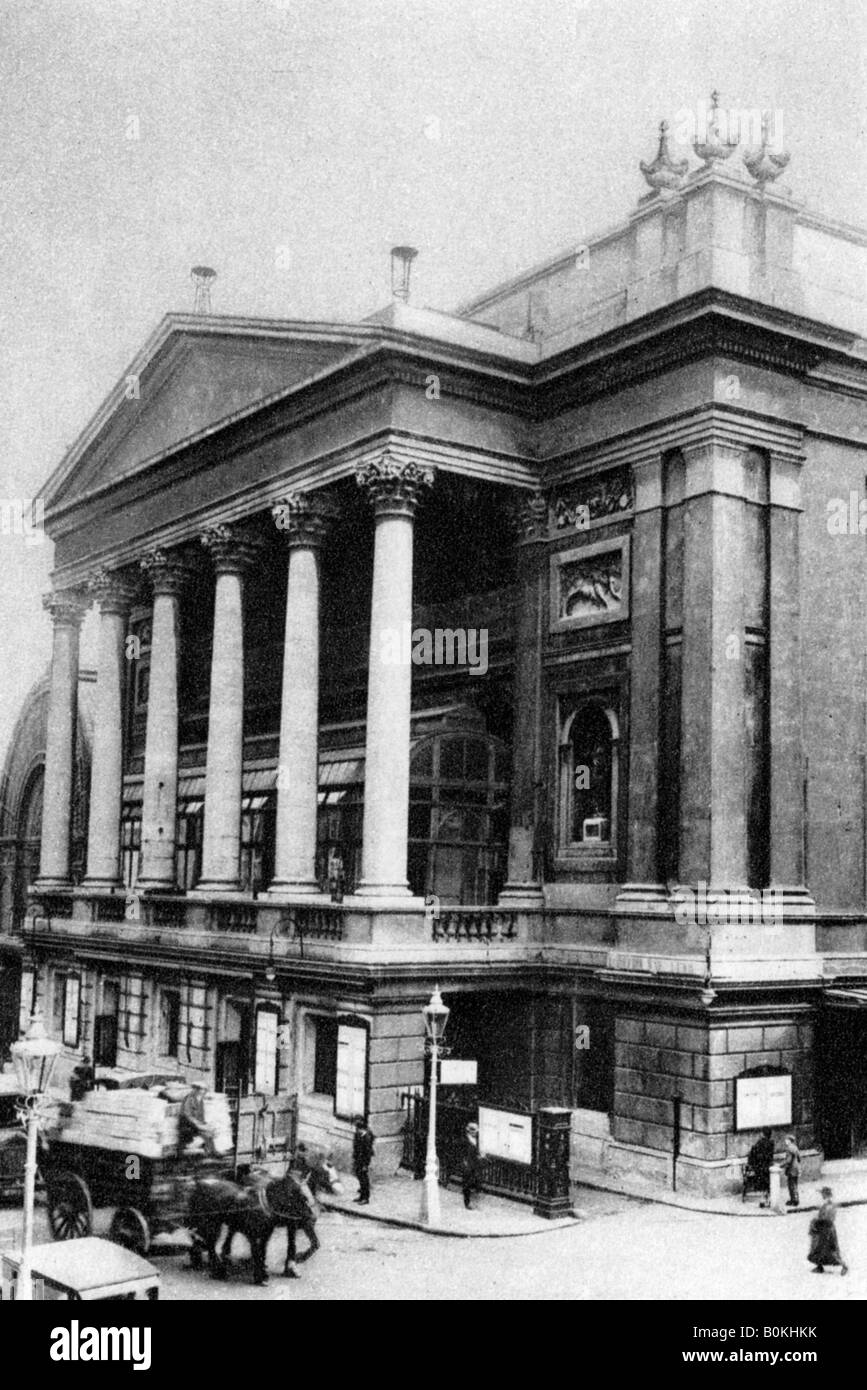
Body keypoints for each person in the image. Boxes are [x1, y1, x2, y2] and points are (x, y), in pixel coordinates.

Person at [808, 1187, 848, 1275]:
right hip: (823, 1229)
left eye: (823, 1194)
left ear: (826, 1194)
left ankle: (844, 1266)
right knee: (819, 1248)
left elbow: (826, 1218)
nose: (821, 1195)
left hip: (827, 1230)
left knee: (830, 1250)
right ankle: (819, 1266)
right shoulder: (826, 1204)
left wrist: (816, 1221)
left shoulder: (829, 1205)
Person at [179, 1082, 216, 1155]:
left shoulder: (200, 1100)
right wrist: (199, 1125)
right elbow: (187, 1115)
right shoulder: (189, 1099)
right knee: (207, 1134)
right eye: (201, 1089)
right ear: (196, 1089)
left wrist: (205, 1124)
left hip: (195, 1124)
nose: (203, 1092)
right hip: (187, 1125)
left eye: (205, 1090)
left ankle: (207, 1152)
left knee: (211, 1131)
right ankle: (203, 1151)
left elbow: (201, 1116)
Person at [747, 1127, 775, 1205]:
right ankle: (768, 1199)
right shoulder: (771, 1143)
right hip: (768, 1166)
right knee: (768, 1184)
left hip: (760, 1167)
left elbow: (753, 1153)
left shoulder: (759, 1143)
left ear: (763, 1134)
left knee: (761, 1184)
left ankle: (763, 1200)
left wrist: (752, 1164)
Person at [352, 1115, 374, 1205]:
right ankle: (361, 1196)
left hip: (363, 1160)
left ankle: (365, 1197)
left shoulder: (366, 1135)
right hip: (358, 1158)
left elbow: (368, 1151)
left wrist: (365, 1164)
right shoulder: (358, 1133)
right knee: (360, 1177)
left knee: (363, 1178)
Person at [461, 1122, 481, 1210]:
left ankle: (472, 1202)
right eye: (472, 1130)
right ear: (468, 1131)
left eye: (475, 1131)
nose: (474, 1132)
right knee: (467, 1184)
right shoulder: (465, 1140)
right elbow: (461, 1152)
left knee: (474, 1182)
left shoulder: (476, 1140)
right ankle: (467, 1202)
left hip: (474, 1164)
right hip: (467, 1165)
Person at [783, 1134, 801, 1208]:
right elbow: (799, 1158)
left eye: (786, 1140)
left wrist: (780, 1165)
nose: (785, 1141)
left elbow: (788, 1161)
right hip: (796, 1168)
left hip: (791, 1169)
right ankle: (796, 1198)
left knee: (791, 1184)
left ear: (789, 1141)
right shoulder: (795, 1147)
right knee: (795, 1184)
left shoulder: (789, 1148)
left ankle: (794, 1200)